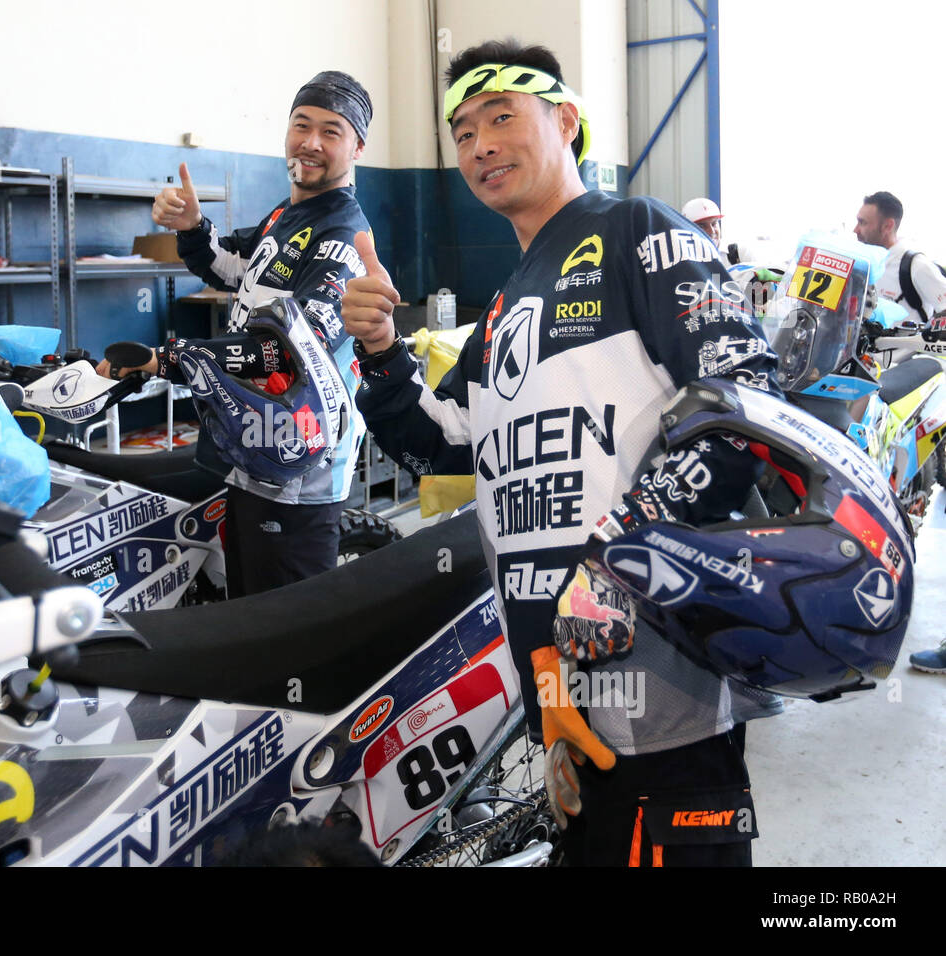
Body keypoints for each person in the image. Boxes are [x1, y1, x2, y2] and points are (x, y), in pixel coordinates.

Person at [342, 38, 784, 866]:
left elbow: (744, 402)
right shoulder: (507, 299)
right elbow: (435, 445)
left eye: (502, 116)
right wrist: (377, 349)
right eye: (463, 130)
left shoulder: (637, 229)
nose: (479, 145)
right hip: (551, 682)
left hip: (660, 685)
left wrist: (612, 569)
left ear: (568, 120)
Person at [99, 71, 373, 597]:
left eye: (332, 131)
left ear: (357, 146)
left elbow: (284, 355)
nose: (311, 143)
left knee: (286, 638)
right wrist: (191, 227)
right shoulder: (287, 215)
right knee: (247, 612)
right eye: (302, 125)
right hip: (250, 448)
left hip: (298, 472)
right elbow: (229, 266)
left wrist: (167, 360)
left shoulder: (343, 237)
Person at [854, 190, 946, 327]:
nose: (855, 230)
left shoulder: (916, 266)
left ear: (888, 226)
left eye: (863, 223)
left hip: (908, 349)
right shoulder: (864, 265)